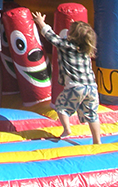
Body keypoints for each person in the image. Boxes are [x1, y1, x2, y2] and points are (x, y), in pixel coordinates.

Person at [32, 12, 102, 144]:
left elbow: (51, 37)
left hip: (76, 86)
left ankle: (67, 129)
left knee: (60, 107)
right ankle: (97, 140)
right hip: (92, 87)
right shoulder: (86, 50)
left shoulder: (67, 46)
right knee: (92, 115)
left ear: (72, 35)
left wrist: (41, 22)